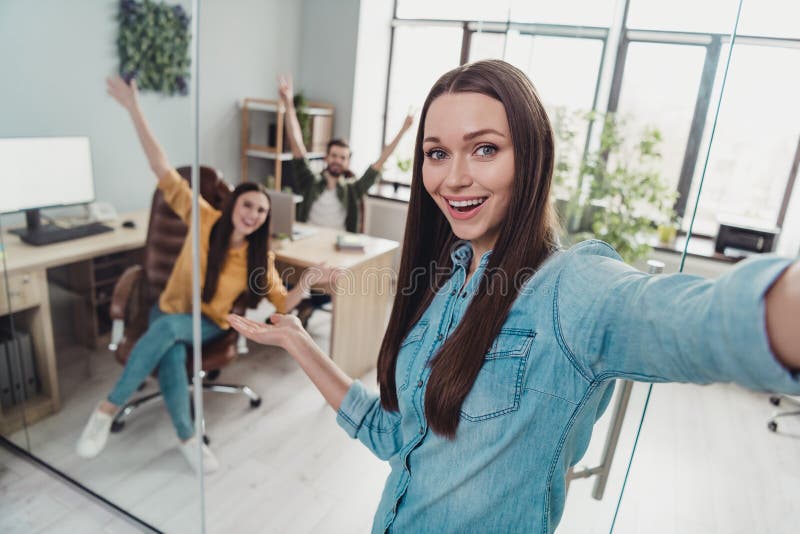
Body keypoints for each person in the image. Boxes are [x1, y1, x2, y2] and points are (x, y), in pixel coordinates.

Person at [228, 60, 800, 532]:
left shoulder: (571, 289)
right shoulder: (442, 282)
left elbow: (708, 321)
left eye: (484, 149)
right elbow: (395, 438)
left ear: (531, 155)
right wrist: (300, 342)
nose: (453, 178)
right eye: (436, 153)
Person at [75, 76, 334, 474]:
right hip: (169, 313)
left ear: (266, 219)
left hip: (211, 325)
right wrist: (133, 108)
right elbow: (161, 167)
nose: (253, 214)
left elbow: (285, 303)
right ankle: (188, 438)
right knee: (172, 353)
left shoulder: (257, 256)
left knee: (164, 338)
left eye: (262, 212)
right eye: (248, 205)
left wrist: (308, 280)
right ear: (234, 204)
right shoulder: (203, 217)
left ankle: (107, 408)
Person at [278, 74, 414, 233]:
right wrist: (288, 102)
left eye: (343, 157)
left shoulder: (352, 190)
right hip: (308, 243)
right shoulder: (309, 182)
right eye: (334, 155)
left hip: (338, 248)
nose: (337, 160)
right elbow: (297, 144)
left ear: (348, 162)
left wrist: (403, 130)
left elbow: (381, 161)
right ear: (326, 158)